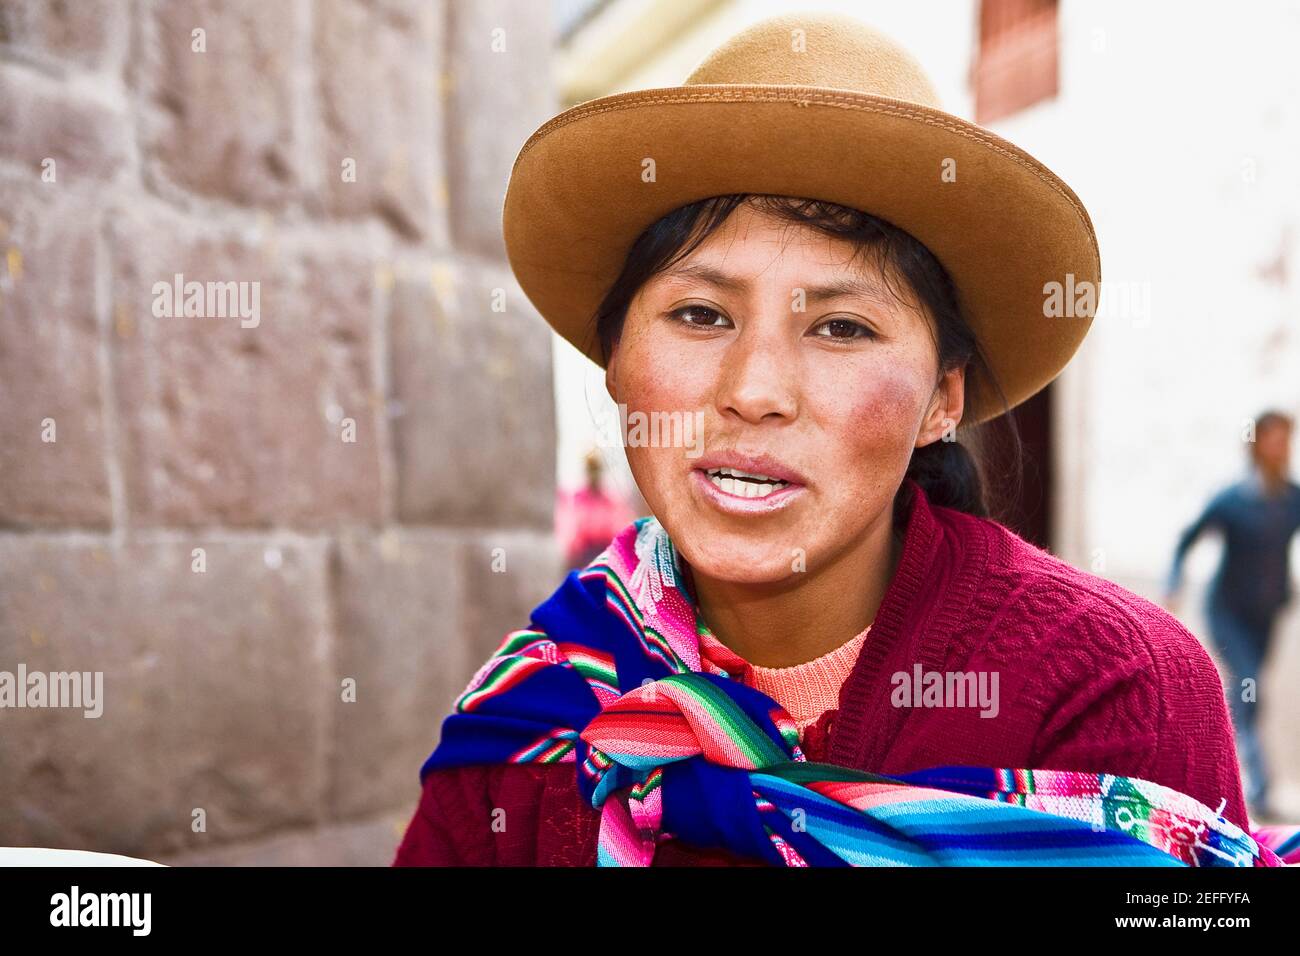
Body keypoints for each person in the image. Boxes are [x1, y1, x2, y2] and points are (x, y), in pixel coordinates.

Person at [393, 12, 1265, 866]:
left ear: (942, 399)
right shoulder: (536, 715)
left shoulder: (1112, 694)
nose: (755, 392)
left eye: (842, 328)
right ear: (615, 360)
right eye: (700, 314)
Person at [1164, 410, 1300, 820]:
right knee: (1249, 684)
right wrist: (1175, 582)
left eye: (1287, 440)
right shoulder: (1232, 499)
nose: (1281, 448)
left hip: (1267, 611)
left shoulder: (1293, 498)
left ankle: (1217, 745)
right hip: (1227, 610)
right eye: (1274, 440)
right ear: (1256, 445)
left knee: (1248, 692)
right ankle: (1256, 785)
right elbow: (1187, 538)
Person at [555, 449, 636, 570]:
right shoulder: (576, 500)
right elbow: (570, 535)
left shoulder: (612, 501)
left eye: (596, 470)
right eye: (591, 470)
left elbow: (621, 530)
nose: (594, 475)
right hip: (582, 558)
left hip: (606, 557)